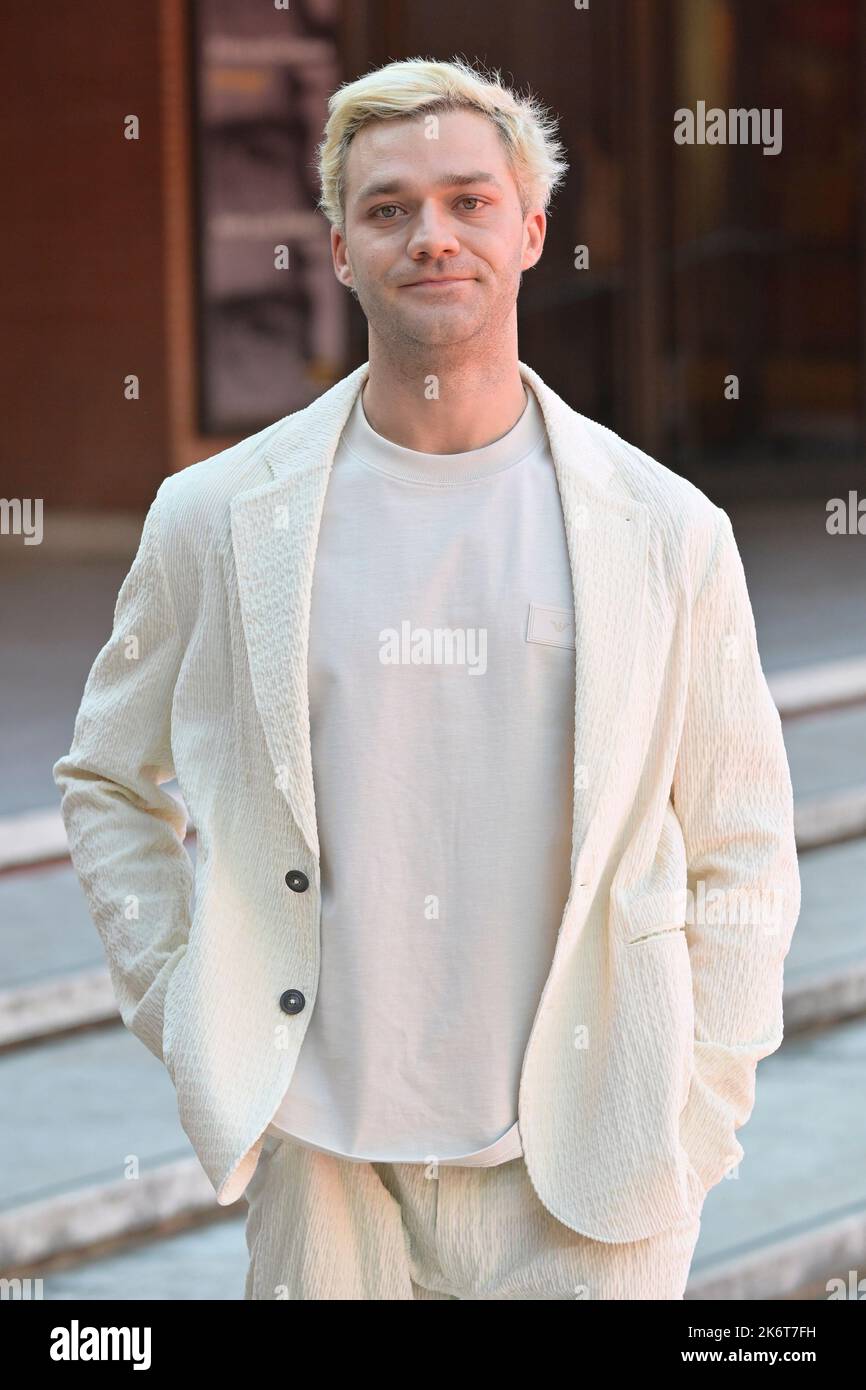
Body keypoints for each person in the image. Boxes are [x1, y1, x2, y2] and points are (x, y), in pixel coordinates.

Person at [53, 56, 801, 1300]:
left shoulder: (665, 529)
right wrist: (195, 1006)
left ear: (531, 229)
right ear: (338, 246)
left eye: (467, 200)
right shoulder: (217, 515)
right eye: (389, 208)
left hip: (590, 1178)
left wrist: (699, 1104)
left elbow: (740, 839)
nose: (430, 236)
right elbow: (104, 781)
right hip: (325, 1171)